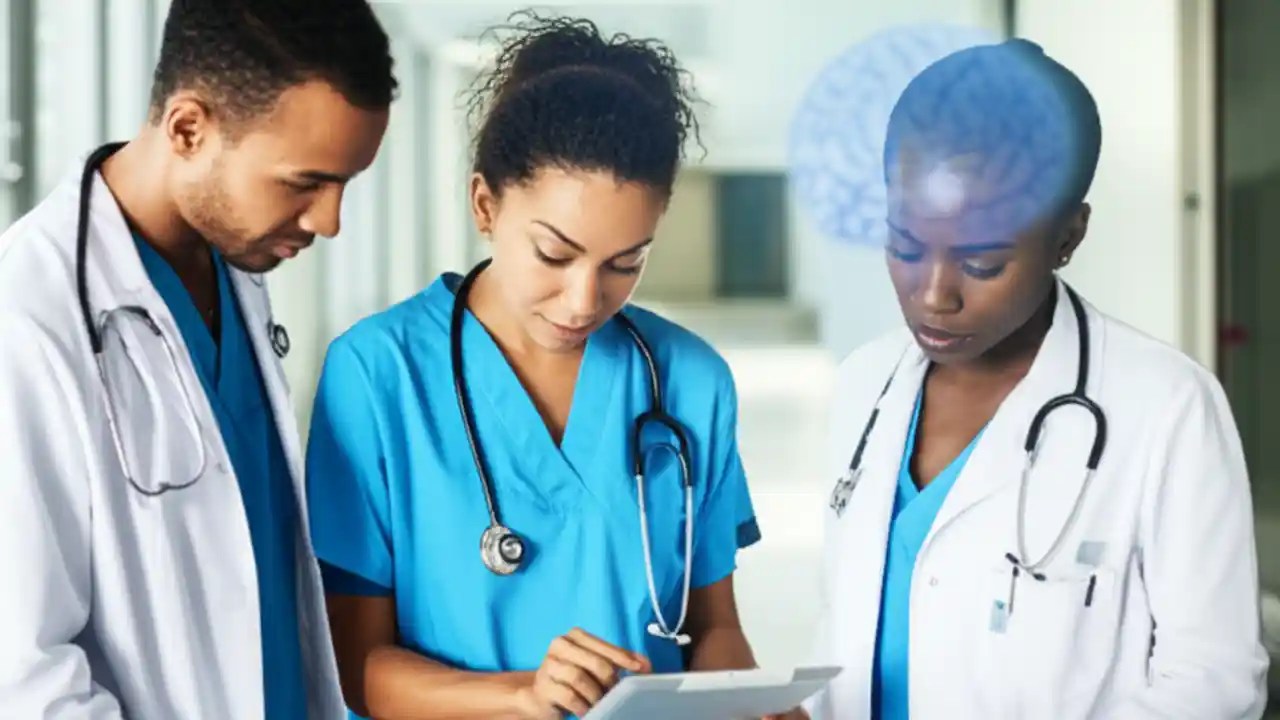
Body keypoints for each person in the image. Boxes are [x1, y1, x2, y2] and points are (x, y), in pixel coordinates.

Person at [304, 13, 798, 720]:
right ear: (485, 204)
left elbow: (713, 627)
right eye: (554, 254)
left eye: (626, 263)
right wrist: (522, 695)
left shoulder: (690, 381)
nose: (583, 299)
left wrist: (748, 705)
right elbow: (354, 667)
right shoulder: (379, 375)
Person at [802, 39, 1270, 718]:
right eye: (905, 246)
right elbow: (854, 634)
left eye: (983, 263)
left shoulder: (1166, 406)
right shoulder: (864, 383)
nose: (934, 295)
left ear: (1068, 236)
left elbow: (1213, 684)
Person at [0, 1, 396, 717]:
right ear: (188, 128)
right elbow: (24, 680)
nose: (330, 221)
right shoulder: (27, 317)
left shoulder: (235, 273)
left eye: (345, 184)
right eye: (304, 182)